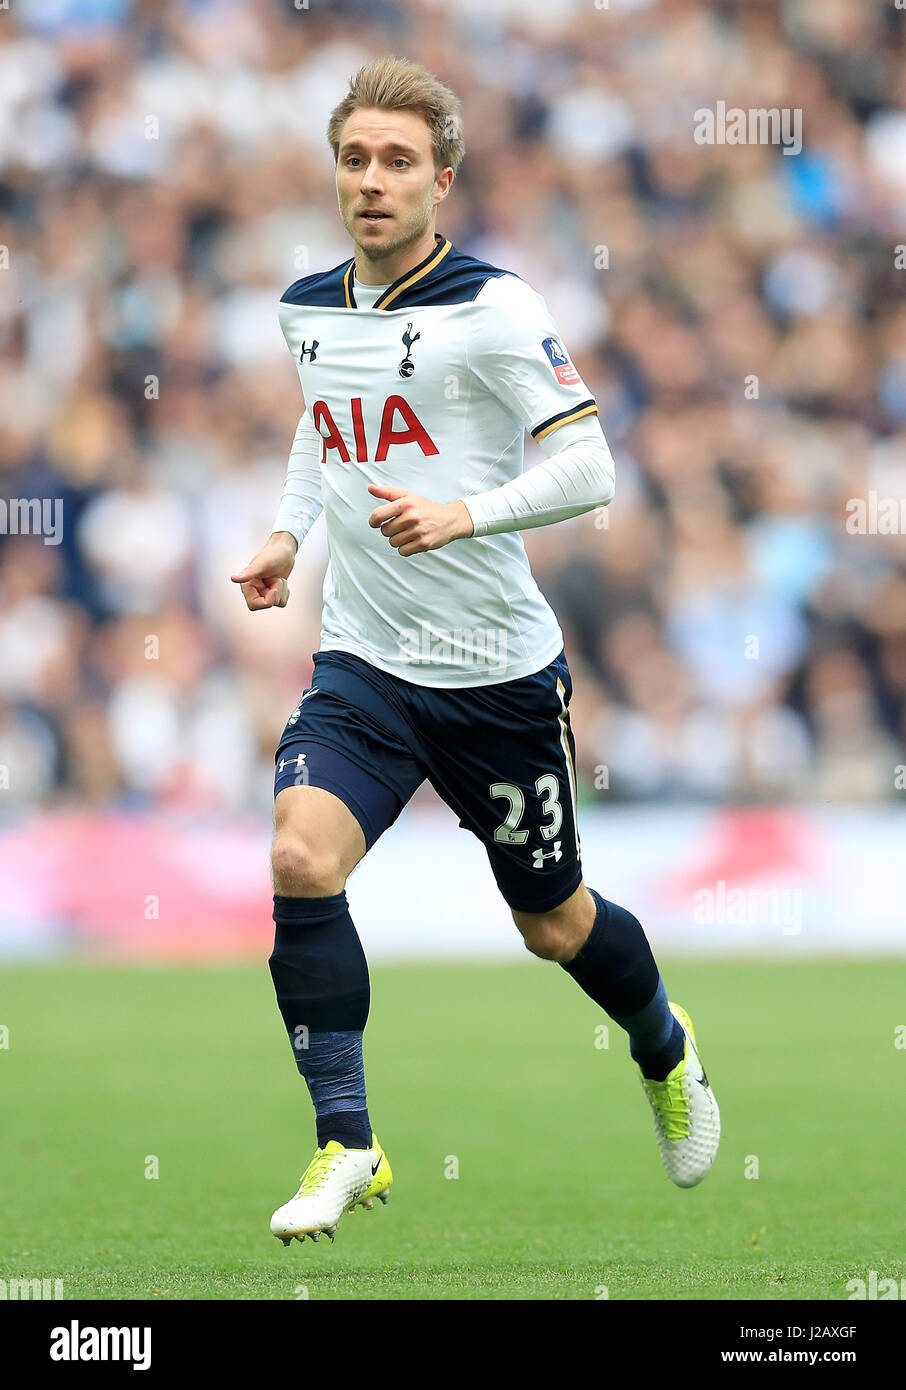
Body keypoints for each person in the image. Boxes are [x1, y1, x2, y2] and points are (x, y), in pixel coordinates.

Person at [232, 55, 720, 1247]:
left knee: (551, 924)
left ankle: (665, 1046)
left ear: (442, 180)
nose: (373, 181)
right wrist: (292, 532)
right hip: (365, 664)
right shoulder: (306, 306)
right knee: (300, 857)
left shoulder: (496, 308)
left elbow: (593, 465)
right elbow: (323, 426)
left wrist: (465, 512)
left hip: (496, 671)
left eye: (399, 161)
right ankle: (348, 1137)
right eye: (355, 159)